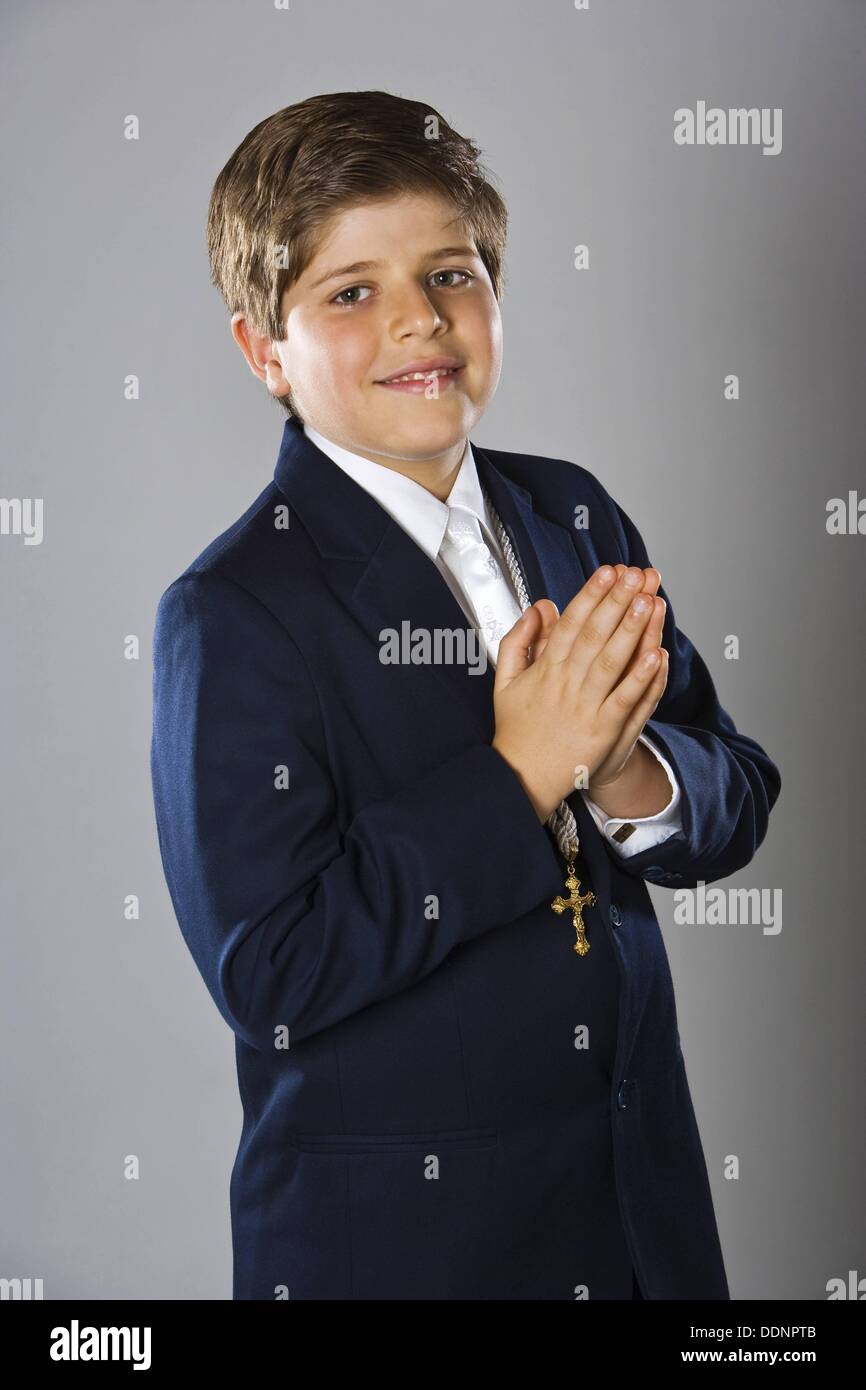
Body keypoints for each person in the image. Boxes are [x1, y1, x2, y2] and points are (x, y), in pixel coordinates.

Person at [149, 89, 781, 1300]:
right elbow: (273, 973)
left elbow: (733, 790)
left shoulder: (573, 512)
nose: (415, 322)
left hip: (639, 1219)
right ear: (261, 350)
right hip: (403, 1252)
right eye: (349, 292)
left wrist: (626, 771)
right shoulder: (234, 608)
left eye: (450, 273)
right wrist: (519, 773)